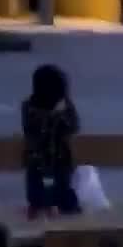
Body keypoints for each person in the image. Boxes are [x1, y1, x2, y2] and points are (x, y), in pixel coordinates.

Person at [21, 64, 81, 218]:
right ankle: (42, 204)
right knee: (38, 191)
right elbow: (33, 131)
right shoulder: (29, 107)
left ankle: (58, 204)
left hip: (60, 162)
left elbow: (73, 127)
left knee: (63, 193)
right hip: (38, 163)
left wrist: (62, 113)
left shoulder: (65, 106)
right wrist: (54, 115)